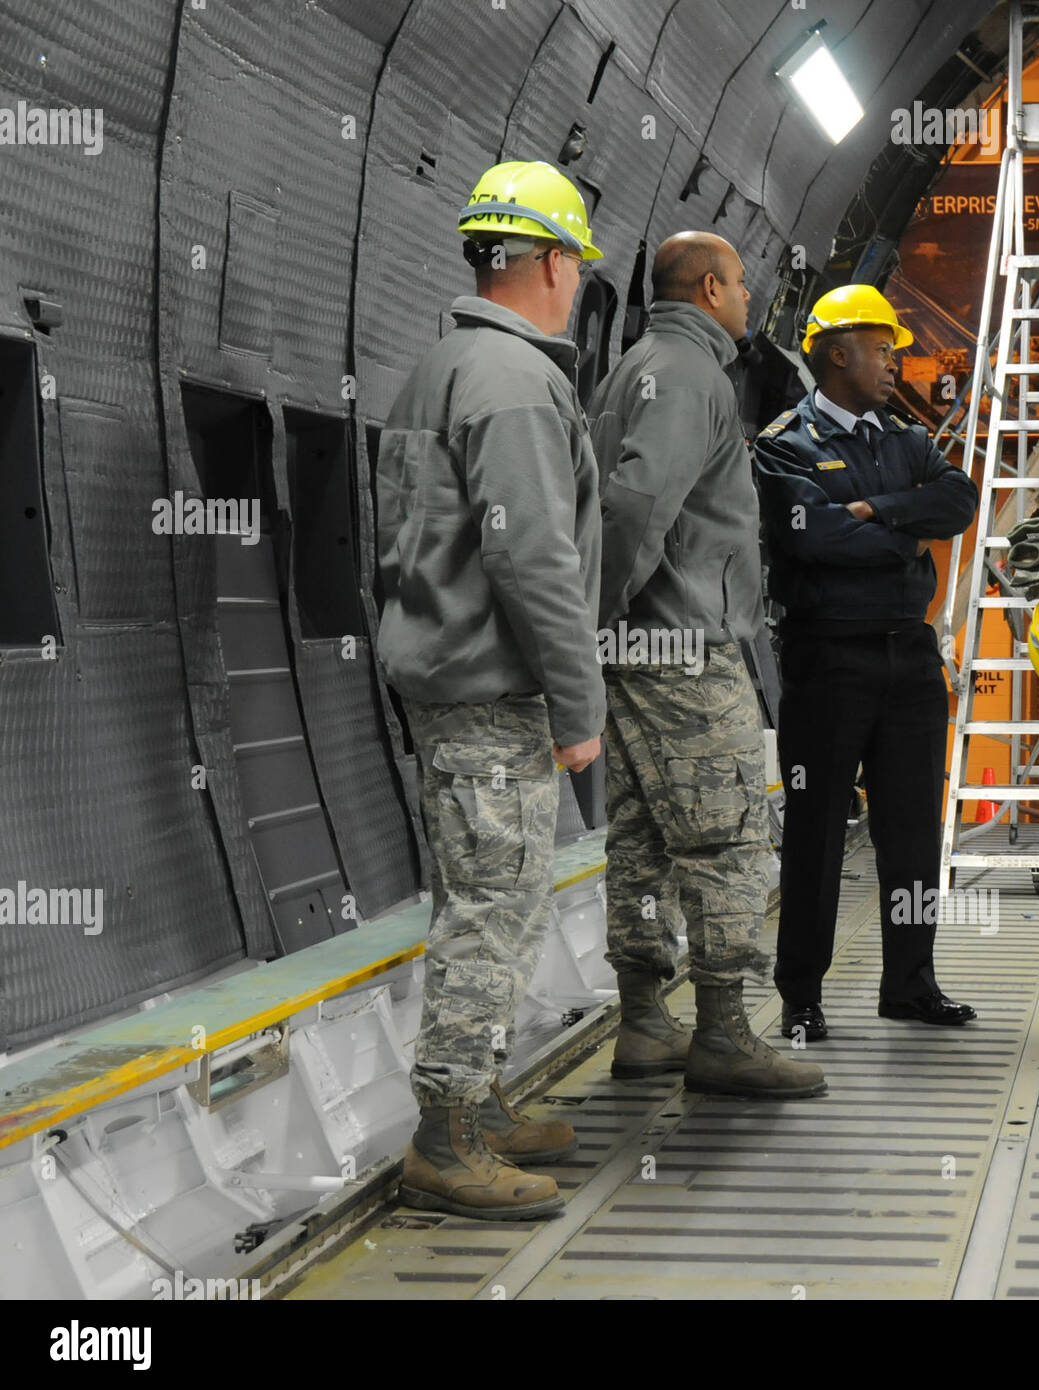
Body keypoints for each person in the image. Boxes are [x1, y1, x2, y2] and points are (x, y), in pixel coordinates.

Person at [375, 161, 605, 1219]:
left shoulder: (437, 368)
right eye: (578, 265)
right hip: (493, 689)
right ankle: (448, 1138)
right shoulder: (516, 383)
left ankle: (481, 1096)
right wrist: (579, 705)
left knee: (478, 898)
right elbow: (533, 560)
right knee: (492, 910)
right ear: (555, 261)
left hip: (445, 677)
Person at [588, 231, 825, 1099]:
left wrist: (602, 626)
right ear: (713, 287)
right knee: (727, 834)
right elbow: (638, 504)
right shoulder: (692, 376)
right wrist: (603, 610)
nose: (750, 302)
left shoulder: (634, 367)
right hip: (682, 644)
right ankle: (724, 1029)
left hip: (643, 644)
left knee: (644, 836)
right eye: (742, 286)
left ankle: (647, 1021)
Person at [753, 284, 979, 1040]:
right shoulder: (784, 442)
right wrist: (900, 532)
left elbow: (958, 501)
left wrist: (873, 512)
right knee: (816, 831)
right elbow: (806, 539)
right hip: (829, 659)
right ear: (836, 352)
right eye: (883, 349)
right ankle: (801, 998)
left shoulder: (903, 437)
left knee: (913, 831)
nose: (893, 363)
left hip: (909, 659)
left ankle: (910, 984)